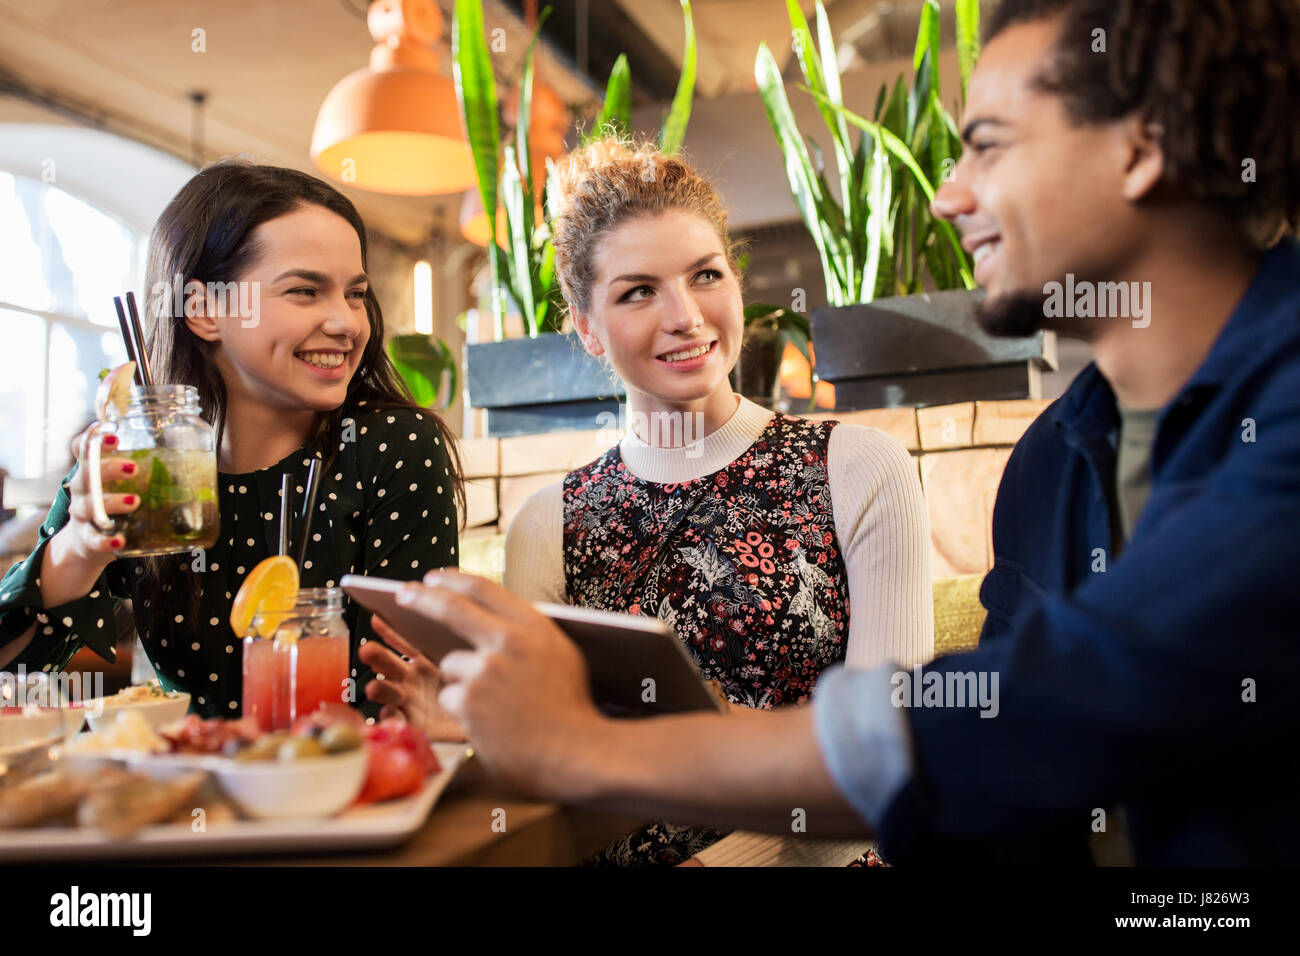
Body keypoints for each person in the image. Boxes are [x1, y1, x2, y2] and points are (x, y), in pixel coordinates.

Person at [380, 0, 1300, 865]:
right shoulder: (1052, 466)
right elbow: (982, 731)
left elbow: (1033, 712)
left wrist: (578, 744)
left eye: (984, 145)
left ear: (1140, 151)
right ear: (583, 326)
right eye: (635, 292)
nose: (947, 196)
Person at [496, 137, 931, 865]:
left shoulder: (857, 468)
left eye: (705, 275)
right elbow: (549, 765)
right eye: (638, 291)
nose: (687, 317)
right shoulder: (549, 523)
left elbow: (883, 756)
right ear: (586, 328)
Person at [0, 161, 463, 727]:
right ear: (202, 310)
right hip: (185, 787)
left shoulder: (392, 447)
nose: (347, 323)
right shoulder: (144, 458)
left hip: (342, 793)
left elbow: (403, 697)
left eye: (355, 293)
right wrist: (80, 547)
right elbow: (12, 686)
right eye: (305, 290)